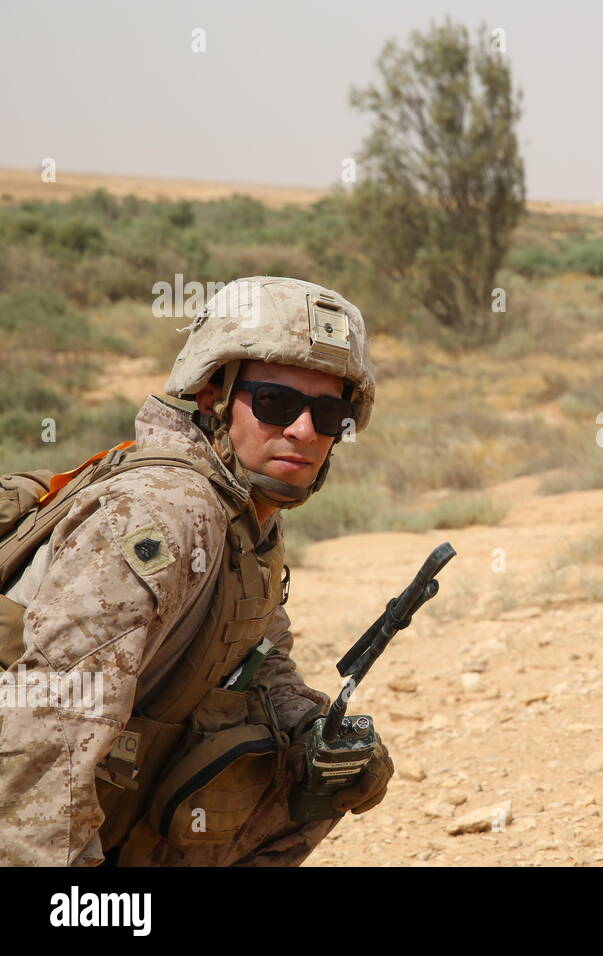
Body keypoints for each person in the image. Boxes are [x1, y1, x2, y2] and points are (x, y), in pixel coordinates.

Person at [0, 276, 393, 866]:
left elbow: (258, 652)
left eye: (330, 412)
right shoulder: (166, 513)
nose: (304, 431)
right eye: (276, 405)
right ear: (213, 395)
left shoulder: (244, 511)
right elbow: (45, 722)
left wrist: (315, 730)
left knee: (297, 765)